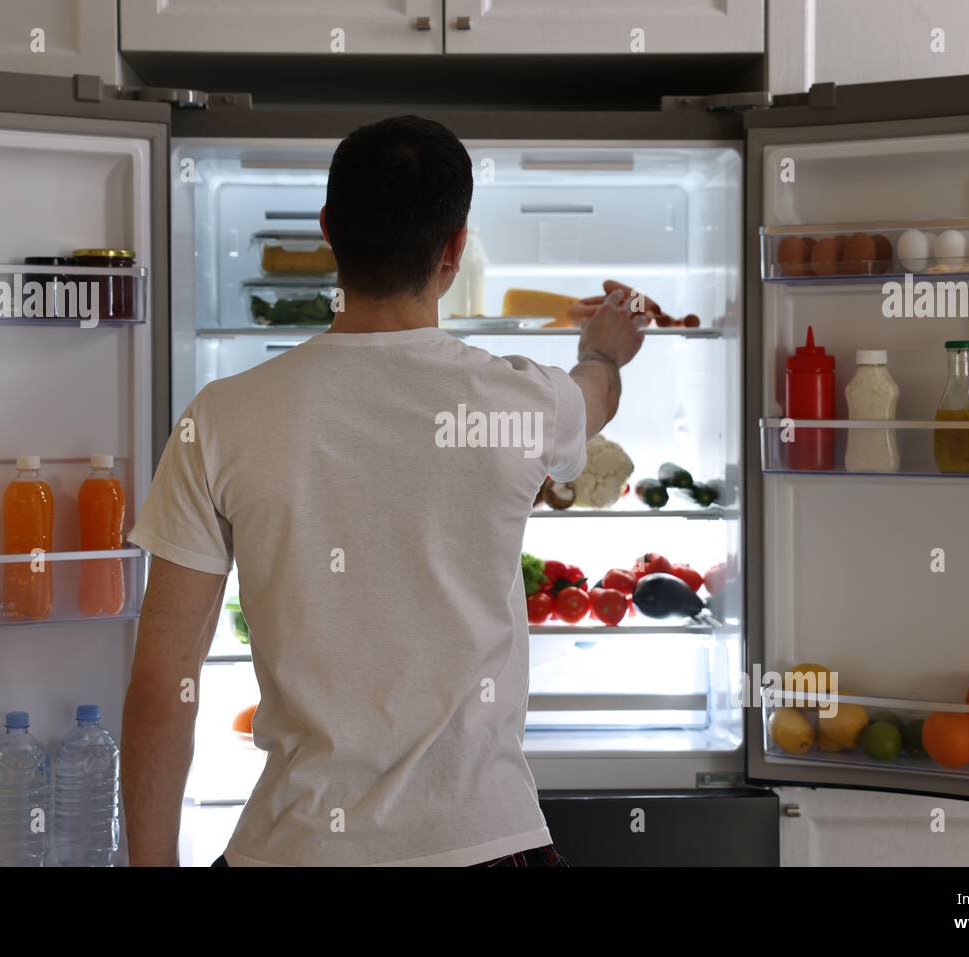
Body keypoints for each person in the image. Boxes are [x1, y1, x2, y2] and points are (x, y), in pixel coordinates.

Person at [121, 115, 652, 867]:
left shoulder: (221, 417)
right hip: (488, 842)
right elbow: (593, 392)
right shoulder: (517, 403)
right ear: (455, 249)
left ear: (329, 232)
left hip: (295, 847)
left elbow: (161, 680)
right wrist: (603, 347)